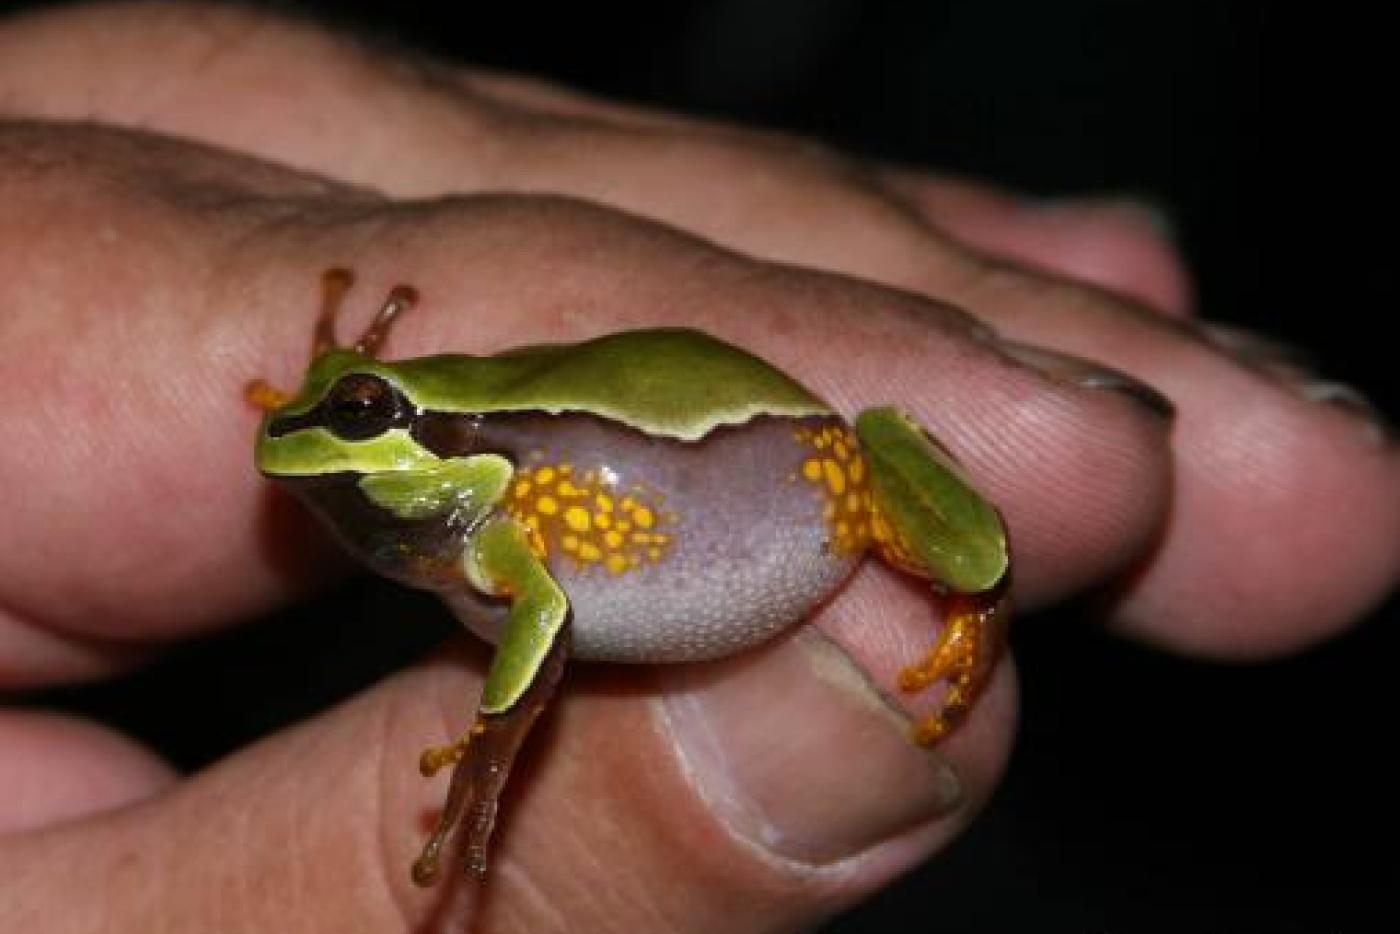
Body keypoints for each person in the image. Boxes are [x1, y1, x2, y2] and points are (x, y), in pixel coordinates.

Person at [0, 3, 1394, 931]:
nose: (306, 436)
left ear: (407, 419)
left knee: (940, 517)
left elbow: (537, 614)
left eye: (354, 405)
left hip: (791, 470)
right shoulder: (440, 495)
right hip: (686, 464)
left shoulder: (489, 520)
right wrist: (342, 404)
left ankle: (965, 592)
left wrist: (492, 748)